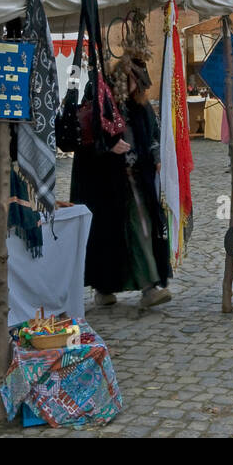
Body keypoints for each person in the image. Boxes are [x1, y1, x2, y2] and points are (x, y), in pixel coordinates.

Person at [71, 54, 172, 309]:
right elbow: (88, 140)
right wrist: (108, 147)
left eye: (136, 81)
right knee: (107, 236)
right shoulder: (101, 104)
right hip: (106, 185)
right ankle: (105, 287)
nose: (134, 86)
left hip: (135, 180)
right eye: (129, 80)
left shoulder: (140, 107)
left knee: (141, 230)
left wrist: (156, 158)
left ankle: (149, 286)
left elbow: (152, 134)